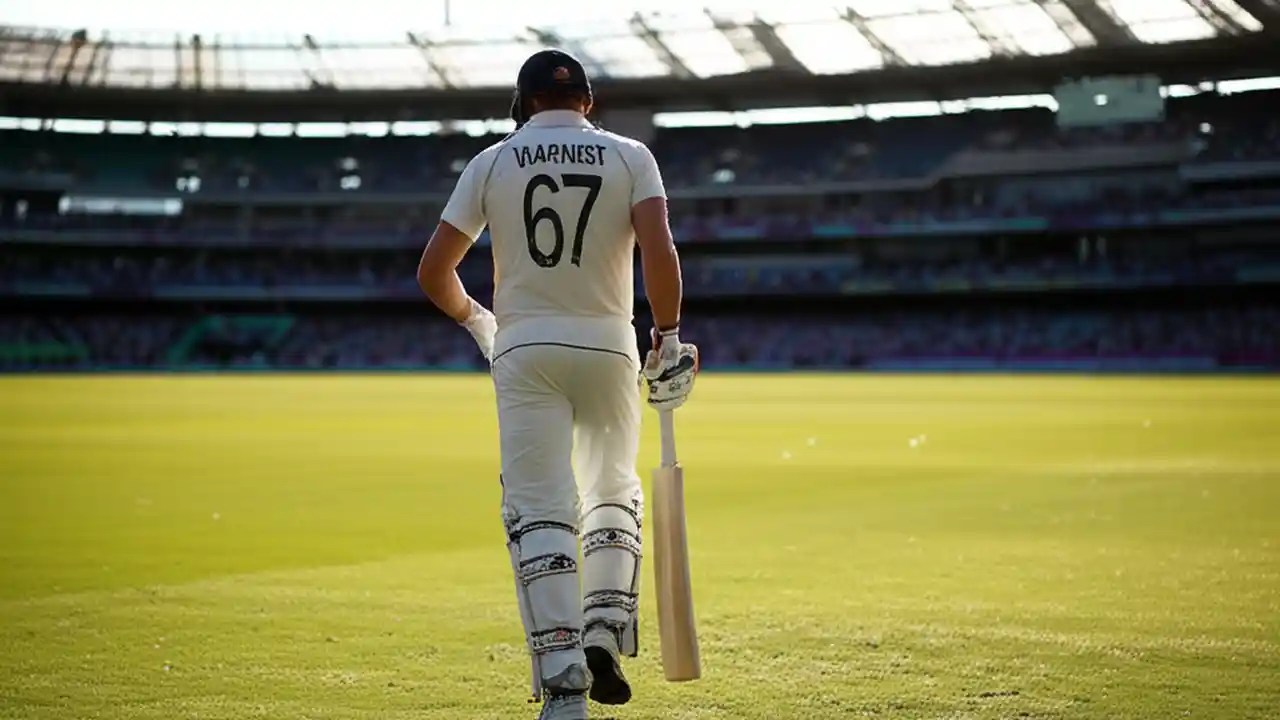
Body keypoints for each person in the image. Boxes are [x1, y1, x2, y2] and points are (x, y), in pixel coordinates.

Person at [416, 49, 699, 720]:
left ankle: (565, 683)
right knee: (611, 489)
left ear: (523, 103)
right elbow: (659, 246)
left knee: (540, 507)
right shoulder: (632, 156)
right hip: (609, 345)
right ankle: (605, 626)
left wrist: (479, 321)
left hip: (525, 346)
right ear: (588, 103)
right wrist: (669, 334)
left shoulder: (492, 161)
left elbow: (434, 272)